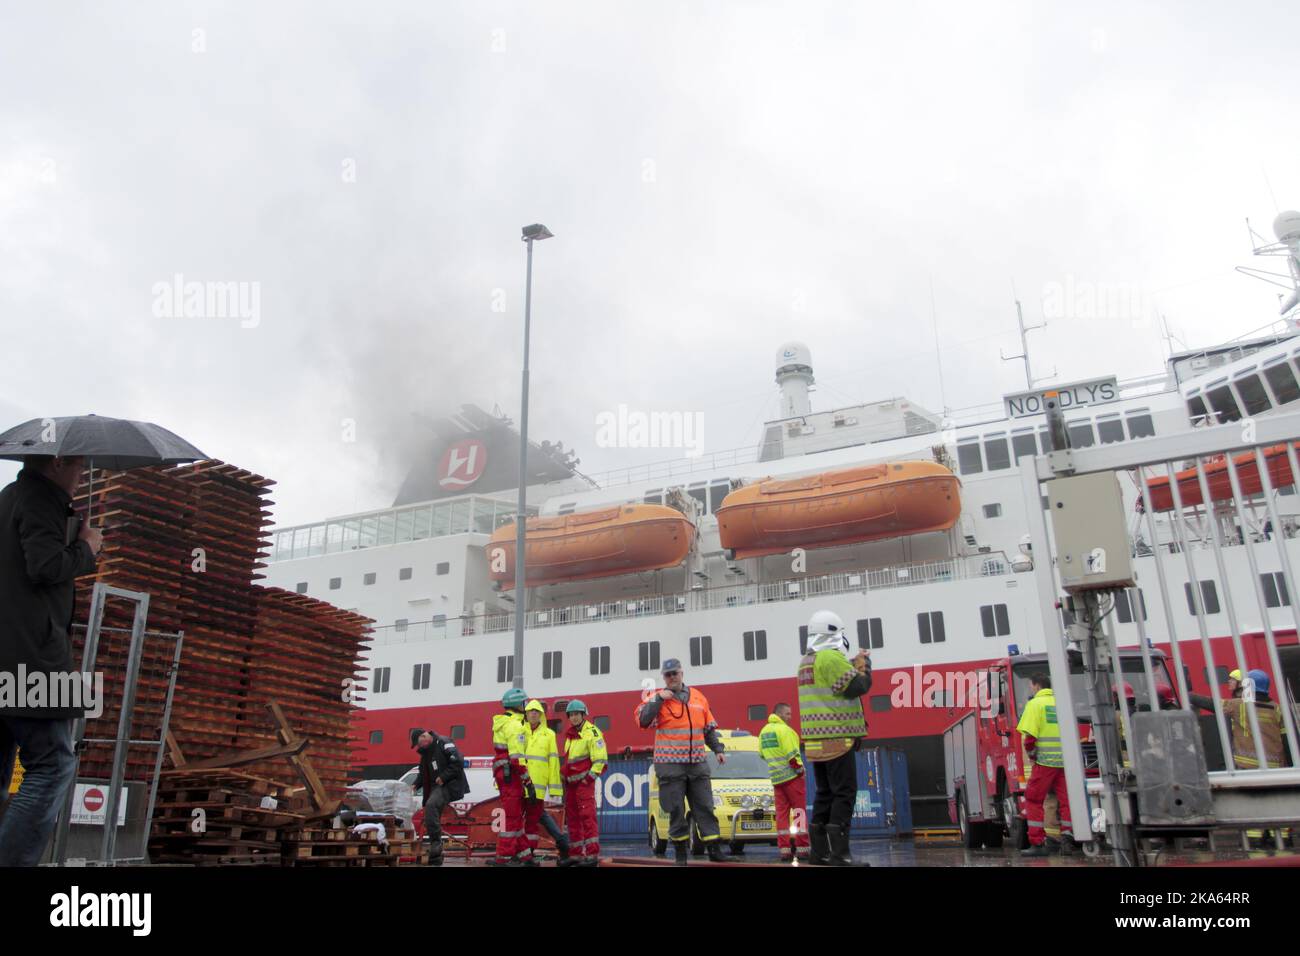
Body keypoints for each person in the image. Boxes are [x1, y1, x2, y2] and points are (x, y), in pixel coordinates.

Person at [0, 455, 102, 867]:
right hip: (32, 659)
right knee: (52, 765)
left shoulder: (7, 497)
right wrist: (86, 548)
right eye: (79, 467)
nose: (82, 476)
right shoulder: (41, 500)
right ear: (57, 464)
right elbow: (44, 566)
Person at [634, 658, 726, 865]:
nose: (672, 677)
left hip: (697, 763)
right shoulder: (657, 699)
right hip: (670, 765)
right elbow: (642, 719)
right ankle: (680, 854)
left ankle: (714, 849)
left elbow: (708, 728)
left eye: (675, 673)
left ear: (682, 673)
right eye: (668, 675)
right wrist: (658, 699)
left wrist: (718, 749)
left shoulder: (699, 698)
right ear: (663, 678)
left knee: (705, 806)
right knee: (675, 809)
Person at [797, 610, 871, 867]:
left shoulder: (807, 661)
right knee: (845, 793)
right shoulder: (831, 657)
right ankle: (840, 854)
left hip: (815, 741)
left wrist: (850, 664)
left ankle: (819, 853)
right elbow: (858, 687)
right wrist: (864, 665)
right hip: (837, 738)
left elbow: (832, 683)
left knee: (825, 793)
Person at [1017, 673, 1073, 857]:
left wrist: (1032, 755)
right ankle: (1068, 839)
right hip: (1066, 762)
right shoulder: (1062, 702)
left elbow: (1029, 739)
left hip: (1045, 762)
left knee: (1033, 799)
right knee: (1066, 801)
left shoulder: (1034, 704)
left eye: (1031, 686)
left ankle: (1038, 842)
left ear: (1036, 685)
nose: (1031, 689)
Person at [490, 687, 535, 866]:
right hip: (512, 775)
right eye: (524, 702)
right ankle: (504, 857)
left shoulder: (502, 722)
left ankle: (525, 856)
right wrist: (528, 781)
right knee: (511, 818)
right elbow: (517, 758)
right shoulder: (516, 725)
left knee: (515, 817)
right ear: (517, 704)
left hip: (504, 773)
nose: (526, 706)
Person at [759, 702, 809, 863]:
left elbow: (762, 754)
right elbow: (793, 756)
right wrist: (800, 771)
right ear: (780, 714)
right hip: (792, 777)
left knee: (781, 815)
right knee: (799, 812)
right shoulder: (786, 731)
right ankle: (802, 848)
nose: (790, 716)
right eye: (788, 713)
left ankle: (784, 850)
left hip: (776, 779)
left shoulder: (764, 731)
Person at [560, 699, 607, 866]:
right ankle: (576, 854)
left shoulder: (593, 733)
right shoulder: (570, 735)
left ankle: (592, 855)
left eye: (576, 714)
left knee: (587, 818)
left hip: (583, 785)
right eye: (571, 715)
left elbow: (600, 760)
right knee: (572, 820)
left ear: (582, 714)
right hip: (571, 786)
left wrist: (588, 780)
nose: (573, 718)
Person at [523, 698, 571, 864]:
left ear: (541, 715)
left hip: (537, 785)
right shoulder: (520, 732)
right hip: (521, 783)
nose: (534, 714)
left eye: (536, 711)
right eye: (531, 711)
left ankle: (527, 852)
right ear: (527, 714)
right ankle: (561, 841)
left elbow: (553, 762)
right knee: (536, 815)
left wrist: (555, 789)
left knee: (535, 816)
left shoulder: (549, 735)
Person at [411, 727, 468, 866]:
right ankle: (436, 853)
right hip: (437, 786)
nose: (419, 746)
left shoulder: (444, 742)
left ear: (425, 736)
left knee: (431, 805)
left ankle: (436, 843)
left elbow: (458, 762)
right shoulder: (426, 753)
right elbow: (423, 773)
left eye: (419, 743)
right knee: (429, 809)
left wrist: (443, 777)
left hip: (449, 784)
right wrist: (415, 785)